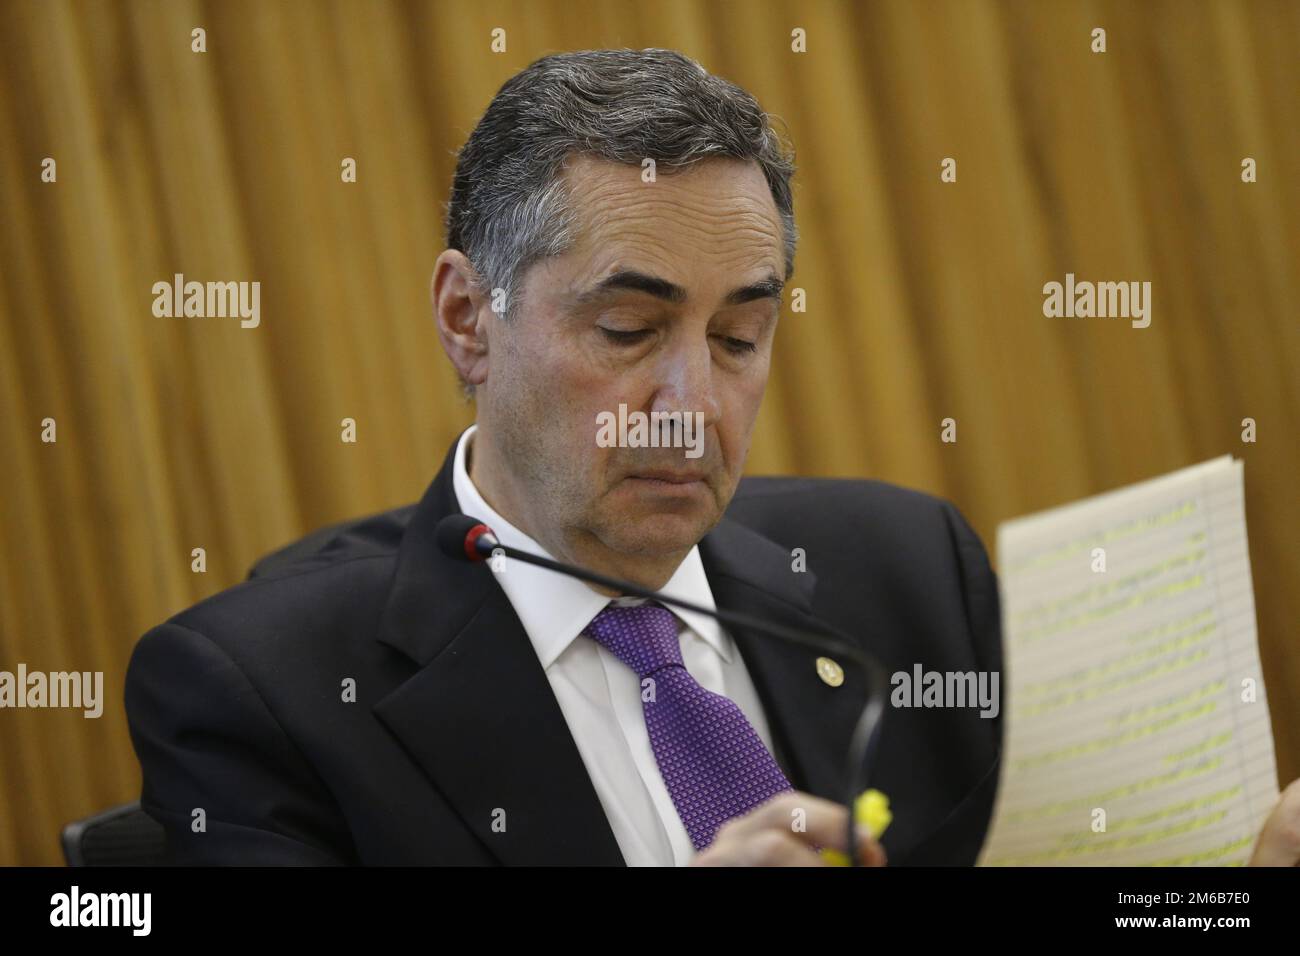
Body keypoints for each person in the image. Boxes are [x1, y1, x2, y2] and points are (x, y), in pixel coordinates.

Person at [124, 48, 1298, 867]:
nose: (690, 404)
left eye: (740, 335)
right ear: (467, 318)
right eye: (628, 330)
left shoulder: (905, 575)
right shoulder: (263, 693)